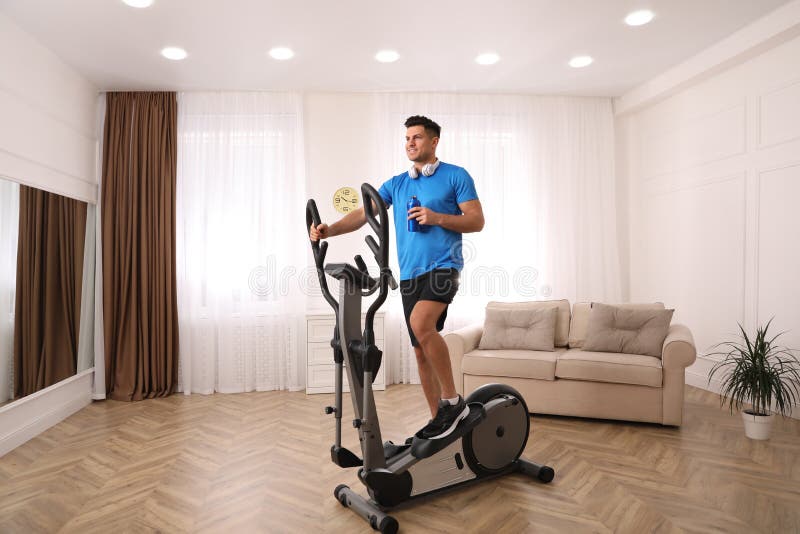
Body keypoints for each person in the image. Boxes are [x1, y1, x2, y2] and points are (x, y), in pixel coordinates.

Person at [309, 115, 484, 439]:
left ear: (433, 142)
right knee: (419, 348)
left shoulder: (455, 176)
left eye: (417, 138)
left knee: (421, 324)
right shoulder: (398, 184)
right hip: (409, 275)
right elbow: (363, 213)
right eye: (406, 139)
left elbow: (476, 221)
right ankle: (440, 424)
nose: (410, 144)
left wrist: (437, 217)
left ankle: (453, 401)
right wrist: (329, 230)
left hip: (444, 267)